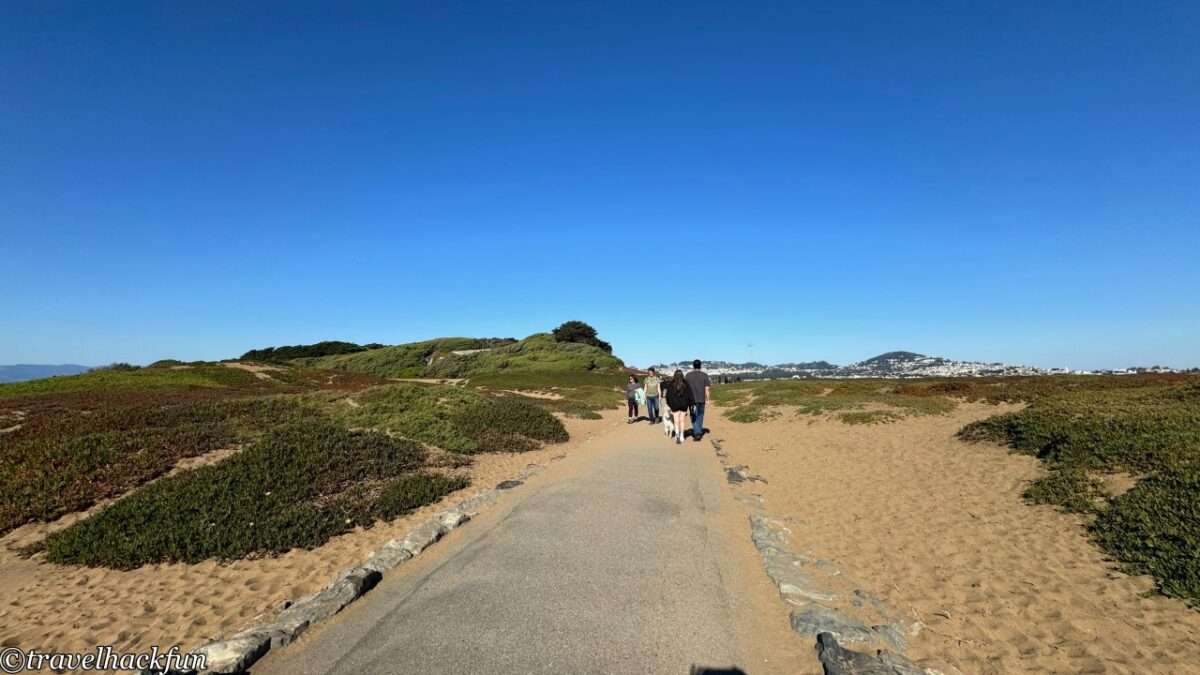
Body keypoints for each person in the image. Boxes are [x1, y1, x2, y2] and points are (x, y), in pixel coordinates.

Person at [684, 359, 712, 442]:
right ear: (700, 365)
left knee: (693, 416)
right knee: (700, 415)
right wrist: (708, 399)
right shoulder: (704, 375)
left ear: (693, 366)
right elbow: (707, 389)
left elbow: (685, 389)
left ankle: (697, 433)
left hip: (692, 400)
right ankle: (698, 431)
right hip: (701, 399)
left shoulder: (688, 375)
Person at [664, 369, 694, 444]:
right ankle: (682, 436)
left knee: (676, 421)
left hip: (674, 405)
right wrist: (691, 404)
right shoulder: (686, 383)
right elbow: (690, 395)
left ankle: (677, 435)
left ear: (674, 375)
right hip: (684, 405)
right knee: (682, 421)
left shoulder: (671, 384)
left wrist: (670, 404)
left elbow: (668, 396)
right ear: (682, 375)